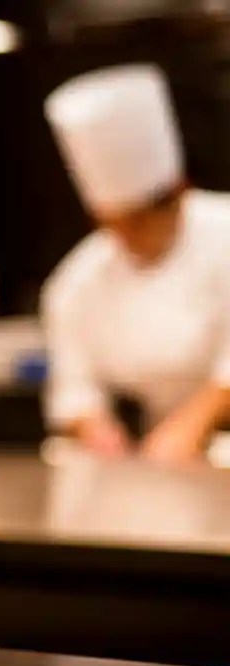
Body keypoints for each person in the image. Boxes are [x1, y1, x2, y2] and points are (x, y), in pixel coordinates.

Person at [42, 64, 230, 464]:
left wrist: (193, 424)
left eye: (140, 220)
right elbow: (74, 391)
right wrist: (97, 432)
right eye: (114, 224)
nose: (129, 237)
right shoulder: (78, 281)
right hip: (157, 457)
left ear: (179, 191)